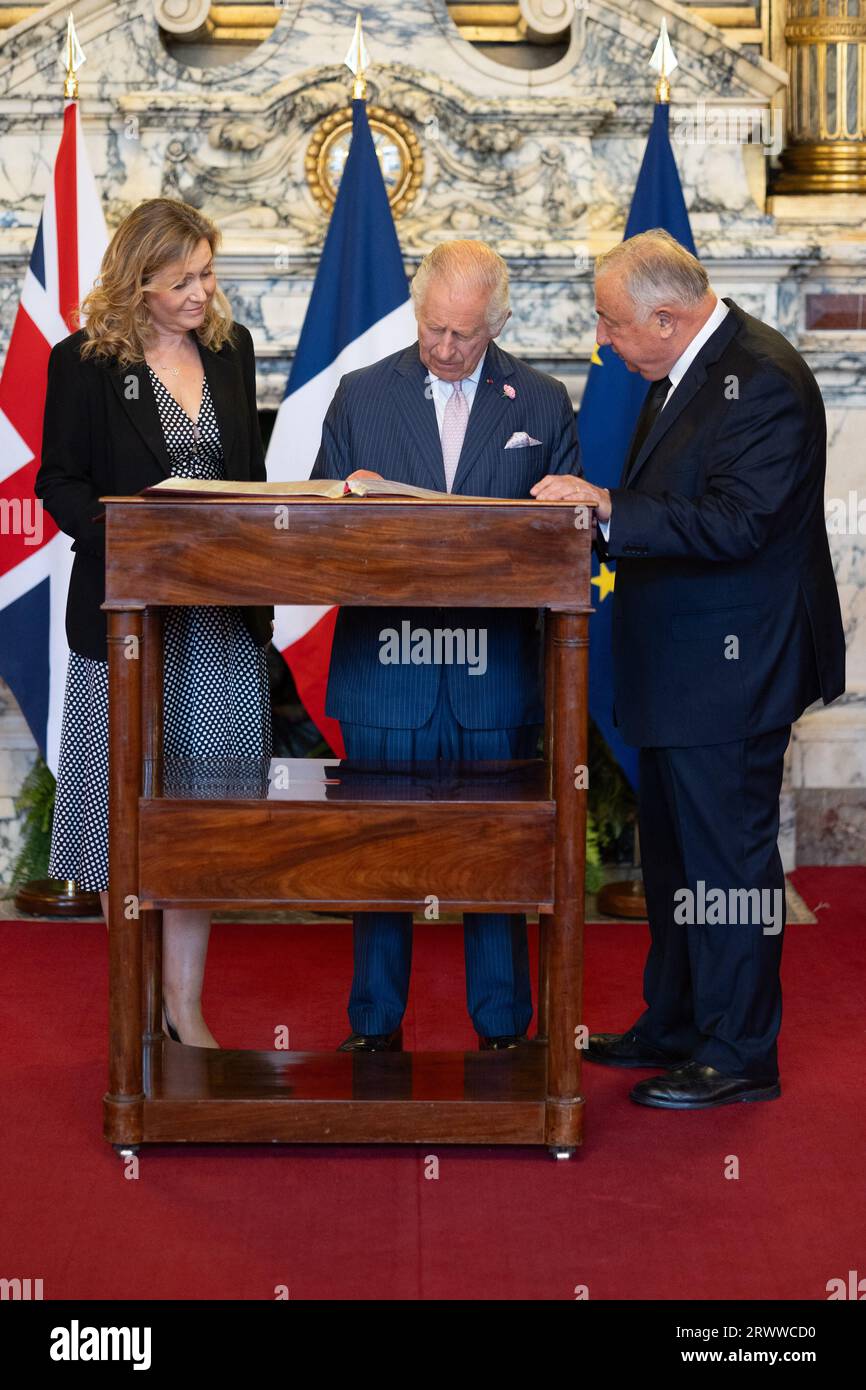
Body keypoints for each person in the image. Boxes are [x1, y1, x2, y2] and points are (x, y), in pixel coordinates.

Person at [532, 228, 845, 1108]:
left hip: (733, 672)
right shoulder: (687, 367)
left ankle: (740, 1053)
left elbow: (739, 524)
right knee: (674, 858)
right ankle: (676, 1022)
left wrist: (606, 505)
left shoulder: (764, 381)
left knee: (730, 867)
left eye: (611, 322)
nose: (602, 340)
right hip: (682, 666)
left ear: (667, 318)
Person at [311, 239, 581, 1052]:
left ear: (496, 323)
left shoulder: (540, 401)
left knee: (495, 860)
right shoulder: (360, 394)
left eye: (465, 334)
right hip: (383, 673)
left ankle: (504, 1034)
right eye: (434, 329)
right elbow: (319, 538)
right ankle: (373, 1030)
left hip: (493, 674)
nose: (446, 348)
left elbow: (568, 545)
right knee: (380, 856)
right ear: (418, 311)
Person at [35, 198, 273, 1049]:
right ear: (138, 283)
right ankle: (136, 1005)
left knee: (198, 823)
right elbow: (55, 483)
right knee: (120, 819)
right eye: (183, 281)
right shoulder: (84, 364)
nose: (203, 294)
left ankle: (185, 1008)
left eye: (207, 274)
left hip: (218, 624)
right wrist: (131, 536)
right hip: (126, 623)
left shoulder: (231, 351)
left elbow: (250, 472)